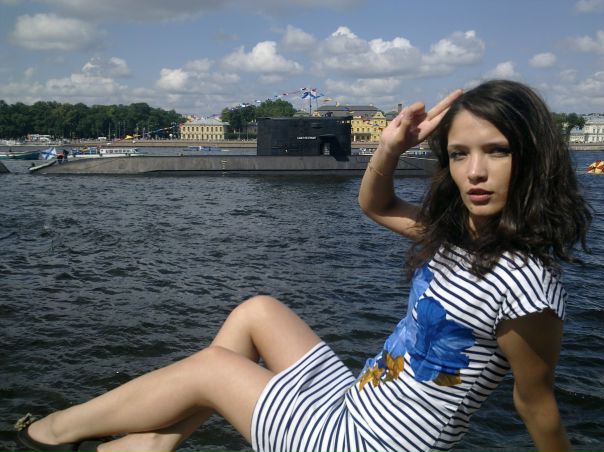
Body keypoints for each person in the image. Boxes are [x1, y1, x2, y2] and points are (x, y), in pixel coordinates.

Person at [15, 80, 590, 452]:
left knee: (211, 370)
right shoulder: (459, 237)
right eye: (460, 154)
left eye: (497, 151)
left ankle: (48, 435)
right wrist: (391, 146)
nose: (475, 172)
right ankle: (154, 444)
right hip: (359, 405)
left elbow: (534, 402)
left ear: (532, 157)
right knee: (257, 310)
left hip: (371, 444)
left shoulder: (527, 282)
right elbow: (376, 205)